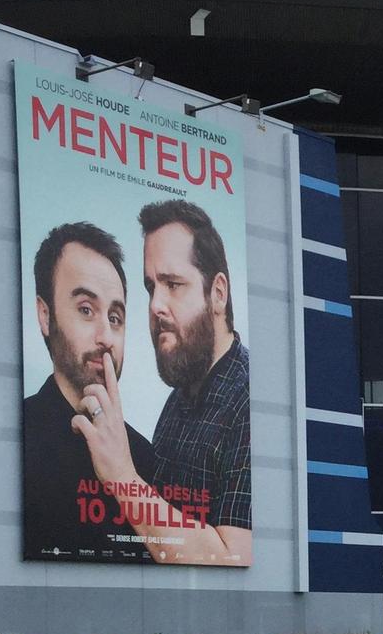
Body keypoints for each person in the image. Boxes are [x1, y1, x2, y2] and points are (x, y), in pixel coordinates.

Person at [72, 198, 251, 565]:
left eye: (173, 284)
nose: (155, 305)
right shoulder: (181, 396)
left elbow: (233, 555)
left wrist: (122, 476)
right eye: (151, 287)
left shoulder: (248, 401)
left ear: (218, 293)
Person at [21, 222, 158, 561]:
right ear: (45, 315)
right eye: (86, 309)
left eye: (115, 317)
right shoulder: (16, 436)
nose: (106, 337)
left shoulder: (148, 460)